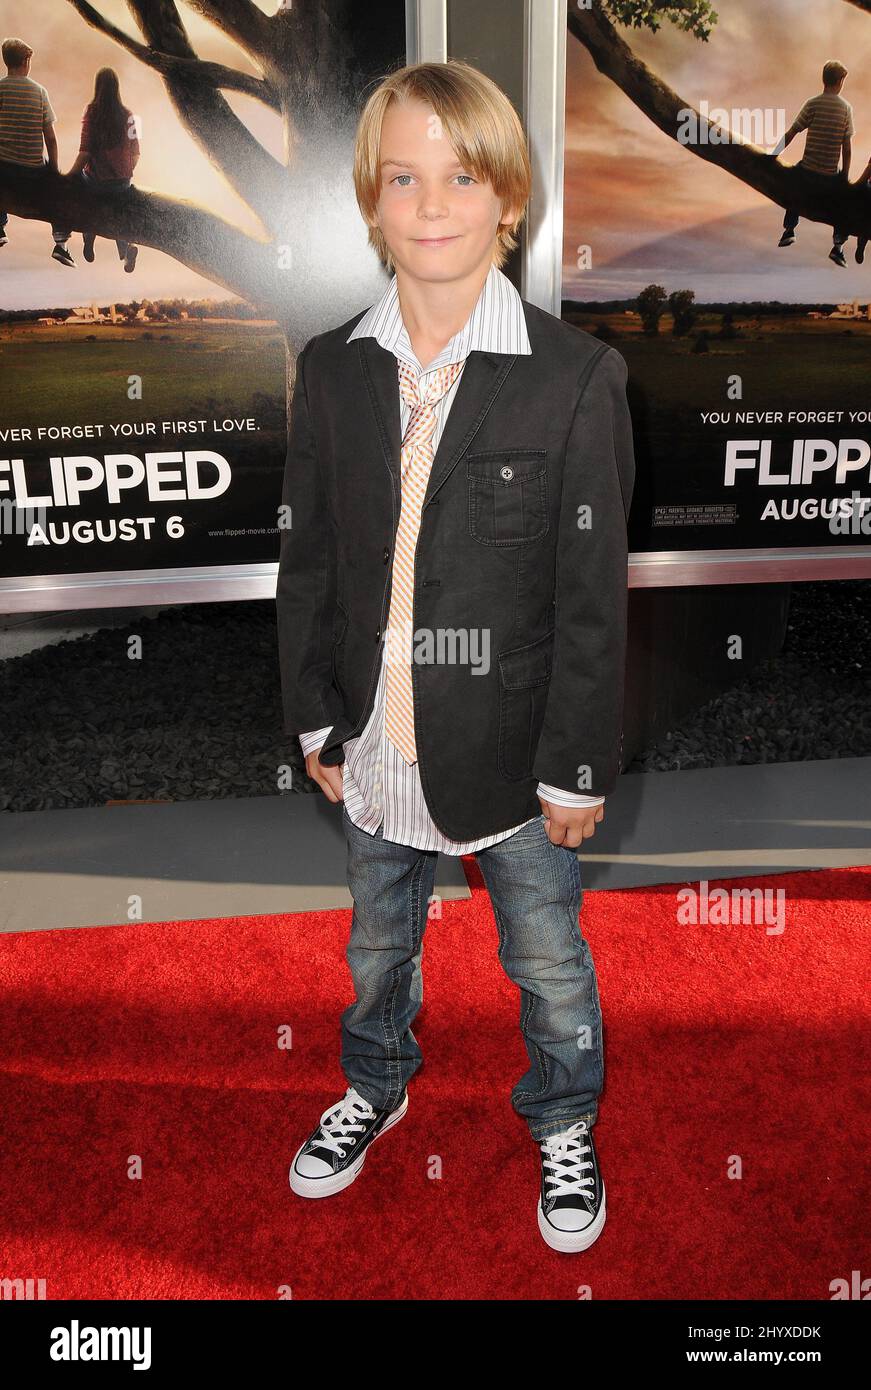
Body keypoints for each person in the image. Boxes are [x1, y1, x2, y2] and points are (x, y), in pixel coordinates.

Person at [276, 61, 635, 1253]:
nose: (432, 204)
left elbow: (590, 599)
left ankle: (565, 1115)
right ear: (373, 203)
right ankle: (374, 1086)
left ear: (509, 199)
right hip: (376, 743)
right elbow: (309, 559)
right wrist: (315, 716)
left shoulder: (577, 378)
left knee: (548, 960)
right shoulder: (329, 368)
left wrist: (577, 763)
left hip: (514, 749)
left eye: (462, 175)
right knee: (376, 942)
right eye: (403, 177)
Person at [0, 35, 74, 265]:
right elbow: (50, 138)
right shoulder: (40, 92)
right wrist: (54, 170)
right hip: (32, 169)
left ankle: (0, 227)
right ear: (26, 62)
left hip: (4, 168)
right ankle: (60, 243)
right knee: (58, 192)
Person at [775, 60, 853, 266]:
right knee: (844, 203)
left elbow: (792, 133)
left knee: (793, 181)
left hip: (807, 172)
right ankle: (838, 247)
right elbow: (847, 147)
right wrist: (844, 176)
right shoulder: (846, 109)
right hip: (829, 176)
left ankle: (789, 230)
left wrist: (773, 153)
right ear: (840, 81)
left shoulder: (812, 104)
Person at [66, 66, 139, 272]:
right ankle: (126, 251)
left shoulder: (92, 112)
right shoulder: (129, 115)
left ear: (97, 87)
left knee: (85, 195)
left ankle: (88, 238)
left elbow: (85, 152)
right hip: (122, 183)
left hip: (97, 182)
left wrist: (70, 176)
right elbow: (136, 153)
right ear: (117, 88)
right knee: (119, 208)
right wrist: (124, 173)